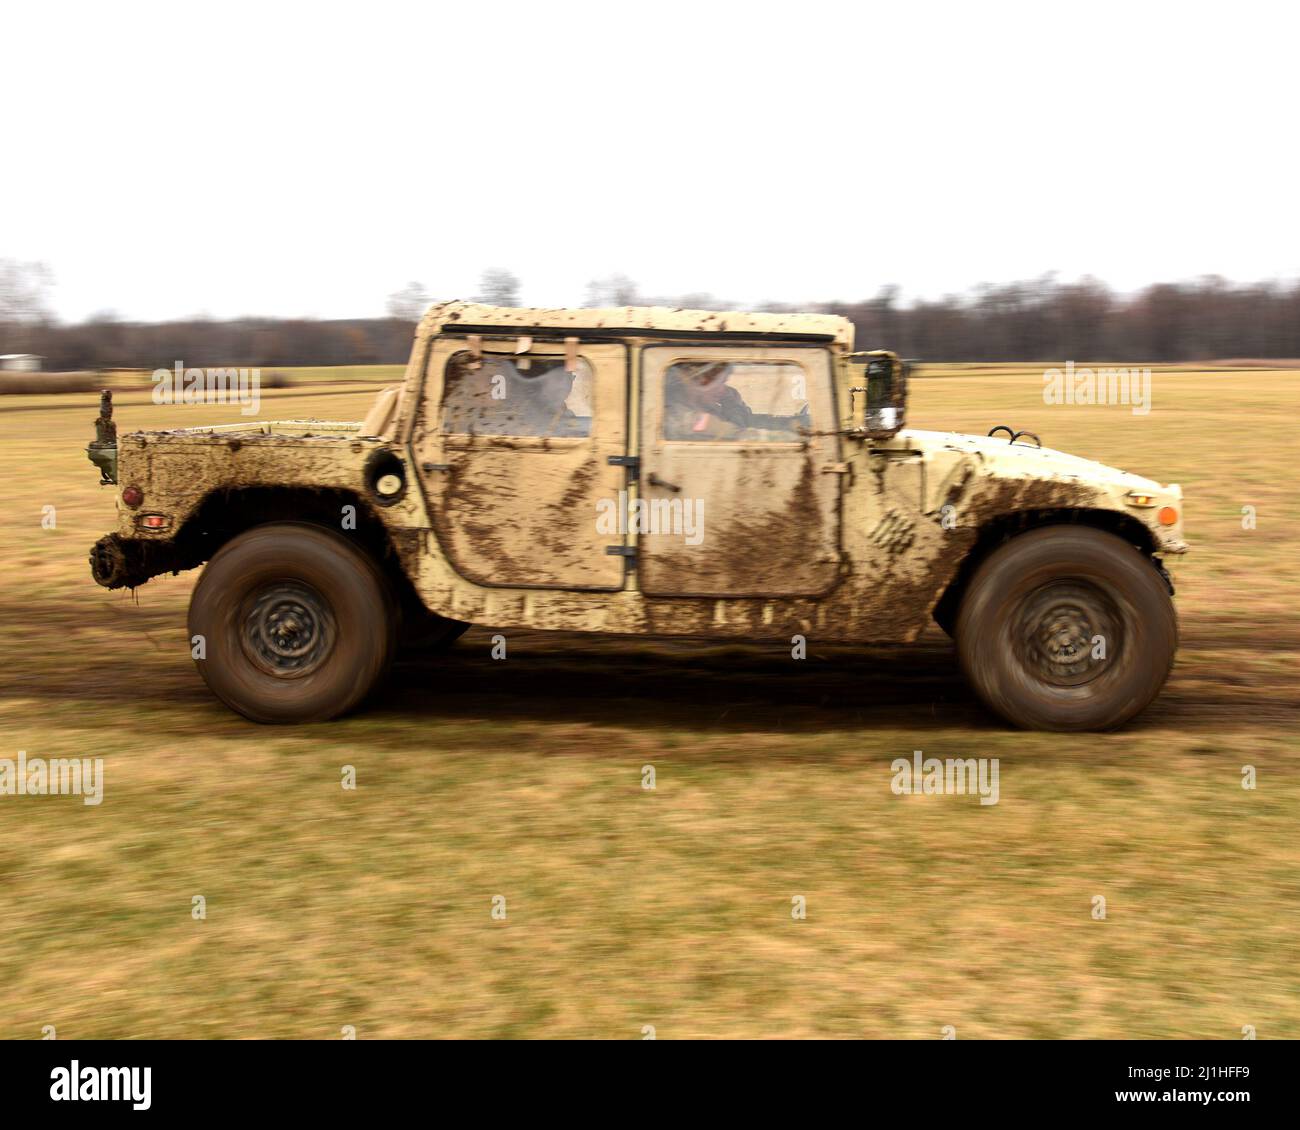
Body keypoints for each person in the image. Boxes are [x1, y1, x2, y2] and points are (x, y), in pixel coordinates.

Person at [663, 361, 810, 441]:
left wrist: (792, 424)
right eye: (721, 383)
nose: (724, 390)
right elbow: (740, 435)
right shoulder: (688, 418)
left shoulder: (703, 407)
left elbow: (745, 423)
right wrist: (796, 438)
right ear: (701, 382)